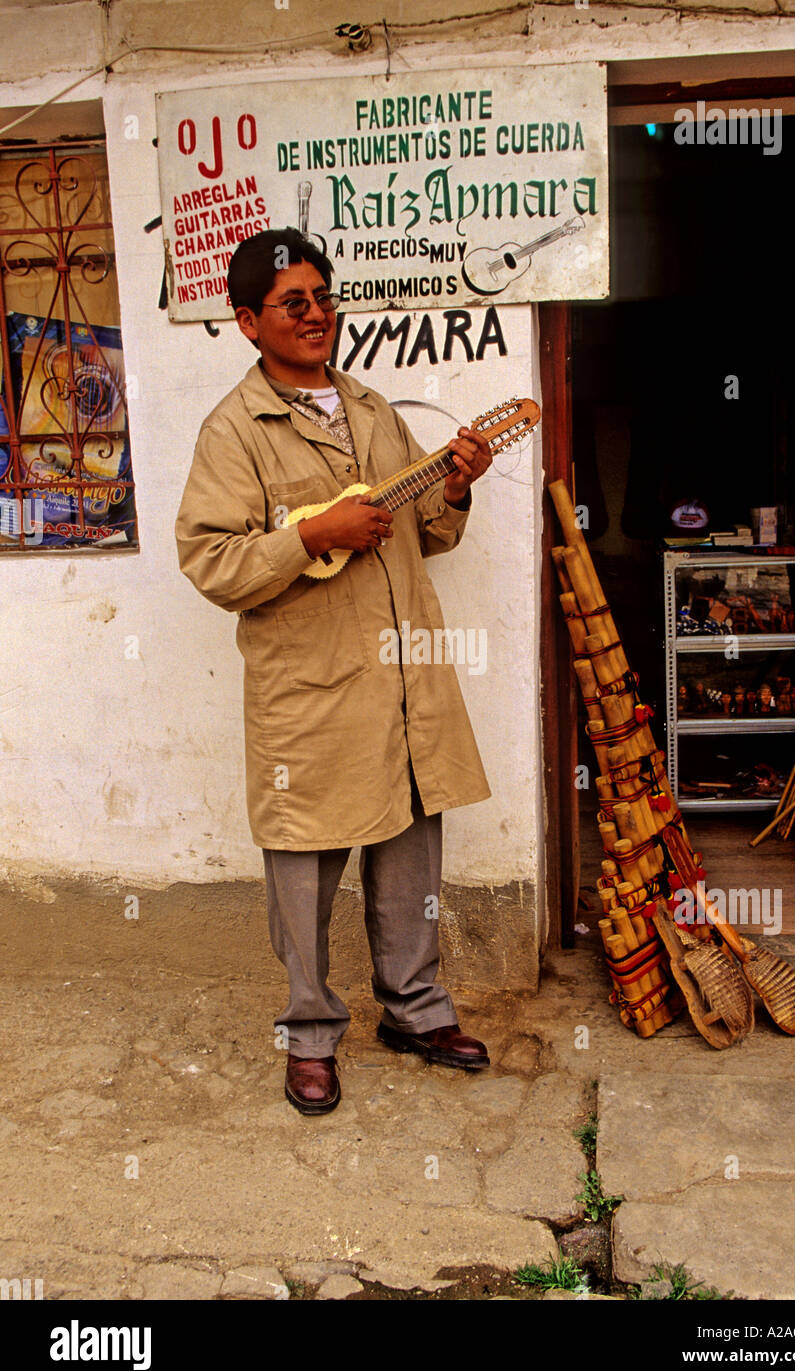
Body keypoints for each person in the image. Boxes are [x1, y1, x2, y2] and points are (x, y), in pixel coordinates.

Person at [175, 228, 493, 1115]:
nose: (317, 315)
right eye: (293, 304)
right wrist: (313, 535)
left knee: (407, 856)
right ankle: (309, 1033)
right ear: (247, 323)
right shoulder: (234, 430)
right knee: (305, 869)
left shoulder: (371, 410)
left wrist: (458, 484)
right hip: (308, 695)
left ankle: (416, 1009)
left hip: (400, 680)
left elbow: (429, 529)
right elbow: (210, 562)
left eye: (323, 297)